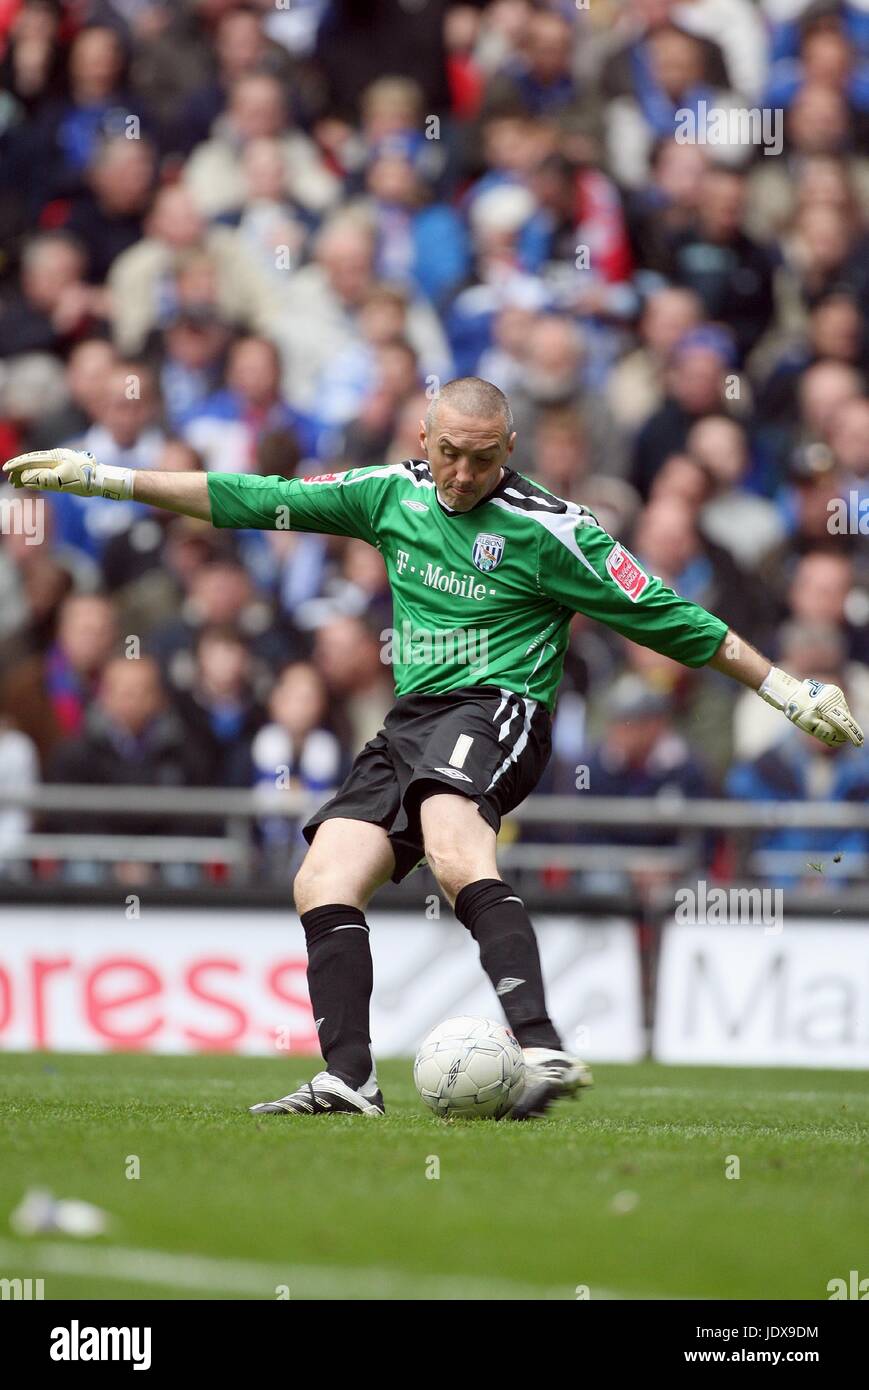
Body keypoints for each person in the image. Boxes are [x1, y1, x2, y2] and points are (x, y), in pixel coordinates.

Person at [4, 377, 864, 1119]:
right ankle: (348, 1080)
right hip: (412, 720)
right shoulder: (388, 493)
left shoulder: (554, 529)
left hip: (501, 708)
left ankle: (540, 1044)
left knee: (455, 848)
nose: (462, 473)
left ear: (510, 450)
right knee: (322, 878)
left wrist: (784, 688)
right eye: (450, 451)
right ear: (423, 437)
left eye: (482, 458)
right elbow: (250, 495)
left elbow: (671, 618)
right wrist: (103, 478)